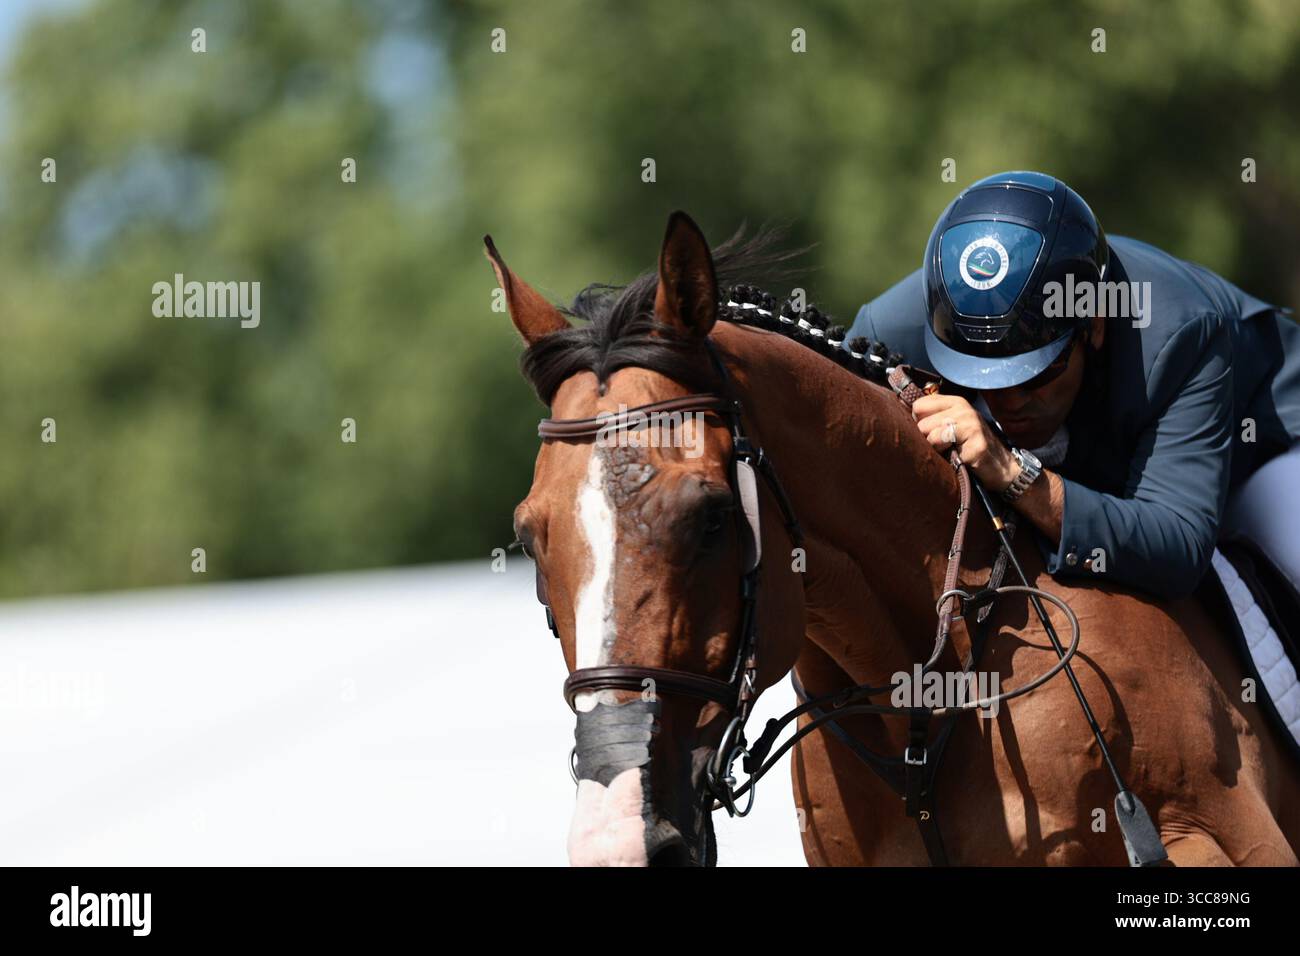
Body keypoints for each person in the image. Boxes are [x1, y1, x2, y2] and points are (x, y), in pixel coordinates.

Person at [846, 171, 1300, 599]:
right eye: (973, 375)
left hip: (1264, 437)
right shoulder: (888, 333)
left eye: (1035, 375)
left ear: (1095, 324)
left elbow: (1177, 548)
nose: (1006, 404)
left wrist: (1013, 474)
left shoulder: (1180, 335)